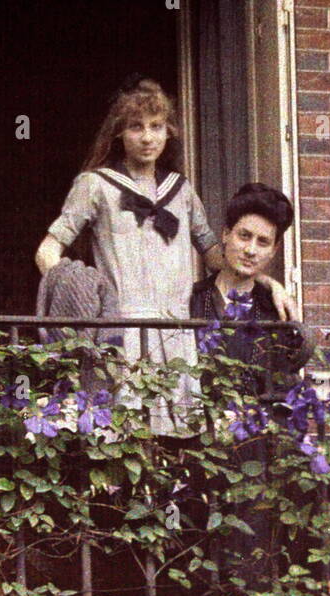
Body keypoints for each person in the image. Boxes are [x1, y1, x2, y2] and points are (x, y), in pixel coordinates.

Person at [34, 78, 291, 436]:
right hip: (120, 334)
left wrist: (266, 280)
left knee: (177, 442)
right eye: (136, 126)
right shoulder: (95, 185)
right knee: (120, 442)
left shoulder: (182, 191)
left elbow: (217, 256)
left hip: (176, 335)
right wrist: (77, 289)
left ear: (168, 132)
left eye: (156, 126)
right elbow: (47, 251)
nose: (147, 137)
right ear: (119, 133)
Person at [189, 182, 314, 591]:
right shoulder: (192, 303)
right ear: (224, 234)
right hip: (197, 446)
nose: (251, 249)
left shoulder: (275, 314)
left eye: (264, 242)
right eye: (244, 236)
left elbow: (286, 398)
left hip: (256, 455)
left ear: (274, 251)